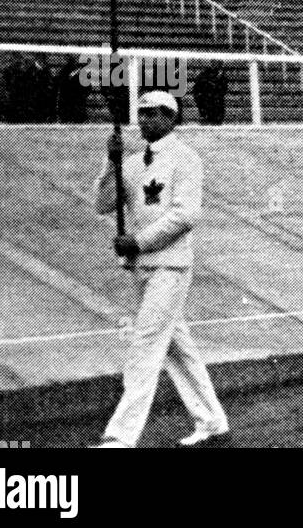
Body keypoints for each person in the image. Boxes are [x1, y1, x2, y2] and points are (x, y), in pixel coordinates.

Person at [90, 91, 228, 448]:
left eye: (152, 114)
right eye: (141, 114)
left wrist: (138, 241)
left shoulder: (186, 159)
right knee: (175, 347)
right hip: (142, 268)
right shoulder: (133, 162)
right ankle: (211, 419)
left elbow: (185, 215)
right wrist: (111, 162)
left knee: (146, 344)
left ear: (171, 118)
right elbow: (103, 204)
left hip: (171, 265)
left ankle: (120, 436)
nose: (144, 121)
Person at [193, 61, 229, 126]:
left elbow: (224, 89)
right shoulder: (204, 75)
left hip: (217, 105)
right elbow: (196, 89)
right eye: (215, 63)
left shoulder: (222, 76)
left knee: (217, 124)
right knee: (206, 125)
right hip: (206, 104)